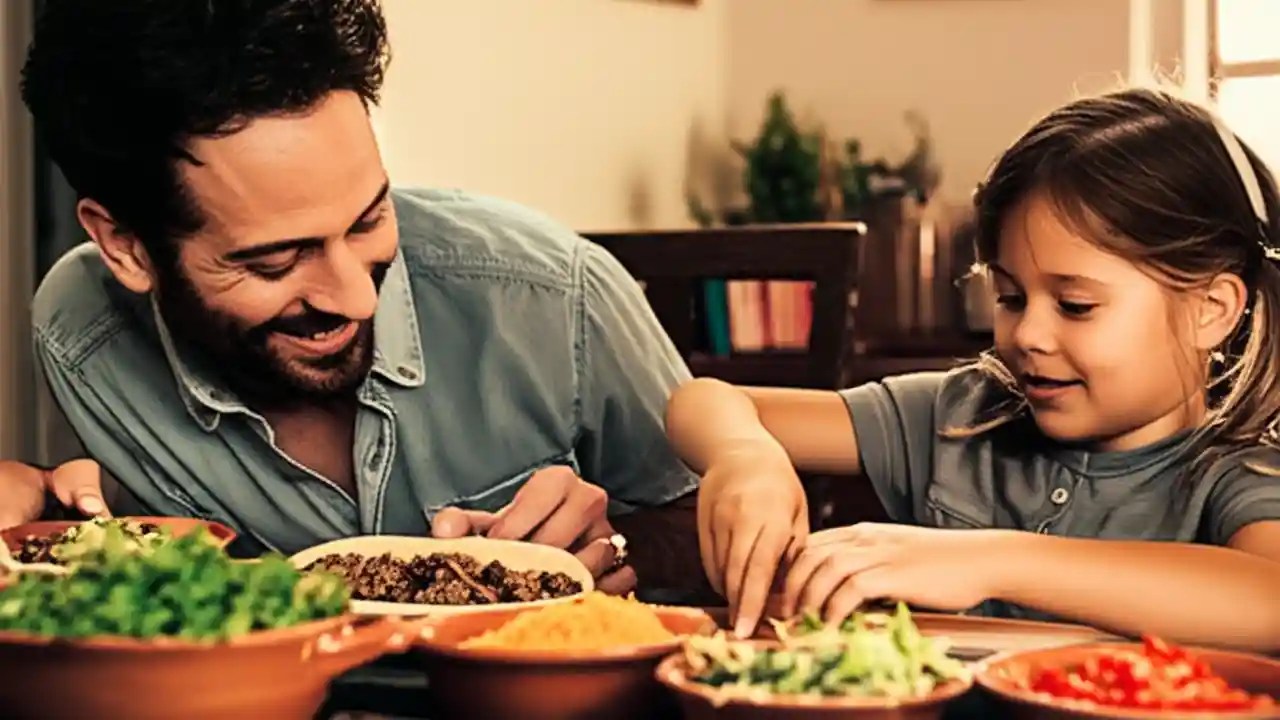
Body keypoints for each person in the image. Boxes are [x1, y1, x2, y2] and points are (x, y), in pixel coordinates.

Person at [0, 0, 701, 595]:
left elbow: (718, 533)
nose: (358, 298)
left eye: (368, 219)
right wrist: (37, 493)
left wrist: (618, 551)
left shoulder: (553, 293)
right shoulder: (83, 333)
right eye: (276, 260)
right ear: (126, 247)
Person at [677, 88, 1280, 650]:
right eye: (1011, 297)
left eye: (1076, 306)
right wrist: (744, 456)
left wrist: (986, 561)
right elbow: (704, 401)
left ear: (1212, 310)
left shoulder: (1239, 468)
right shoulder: (962, 417)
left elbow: (1269, 599)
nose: (1028, 335)